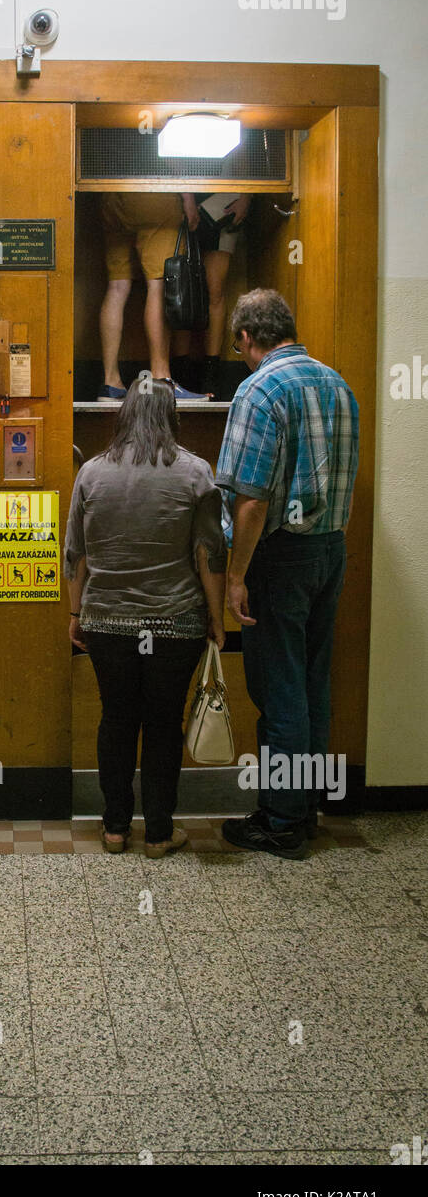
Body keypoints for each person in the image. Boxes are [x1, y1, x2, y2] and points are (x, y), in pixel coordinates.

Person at [215, 289, 359, 860]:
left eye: (239, 346)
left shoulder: (260, 389)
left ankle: (279, 819)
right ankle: (306, 806)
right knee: (311, 683)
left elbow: (250, 502)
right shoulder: (337, 384)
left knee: (279, 689)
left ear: (248, 338)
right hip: (330, 550)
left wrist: (235, 575)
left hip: (280, 555)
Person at [65, 378, 227, 856]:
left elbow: (76, 554)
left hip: (107, 621)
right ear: (172, 416)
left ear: (125, 414)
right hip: (176, 622)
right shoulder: (197, 473)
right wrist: (216, 621)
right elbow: (209, 554)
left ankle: (115, 828)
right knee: (162, 724)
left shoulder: (91, 474)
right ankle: (158, 832)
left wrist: (76, 612)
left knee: (116, 720)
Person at [98, 192, 211, 402]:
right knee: (158, 284)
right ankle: (161, 378)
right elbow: (174, 159)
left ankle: (110, 382)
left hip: (112, 196)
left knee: (117, 287)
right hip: (153, 195)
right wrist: (188, 197)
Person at [183, 192, 253, 398]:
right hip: (184, 197)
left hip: (223, 201)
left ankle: (210, 374)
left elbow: (248, 162)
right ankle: (181, 371)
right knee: (182, 288)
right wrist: (186, 197)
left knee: (215, 291)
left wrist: (246, 198)